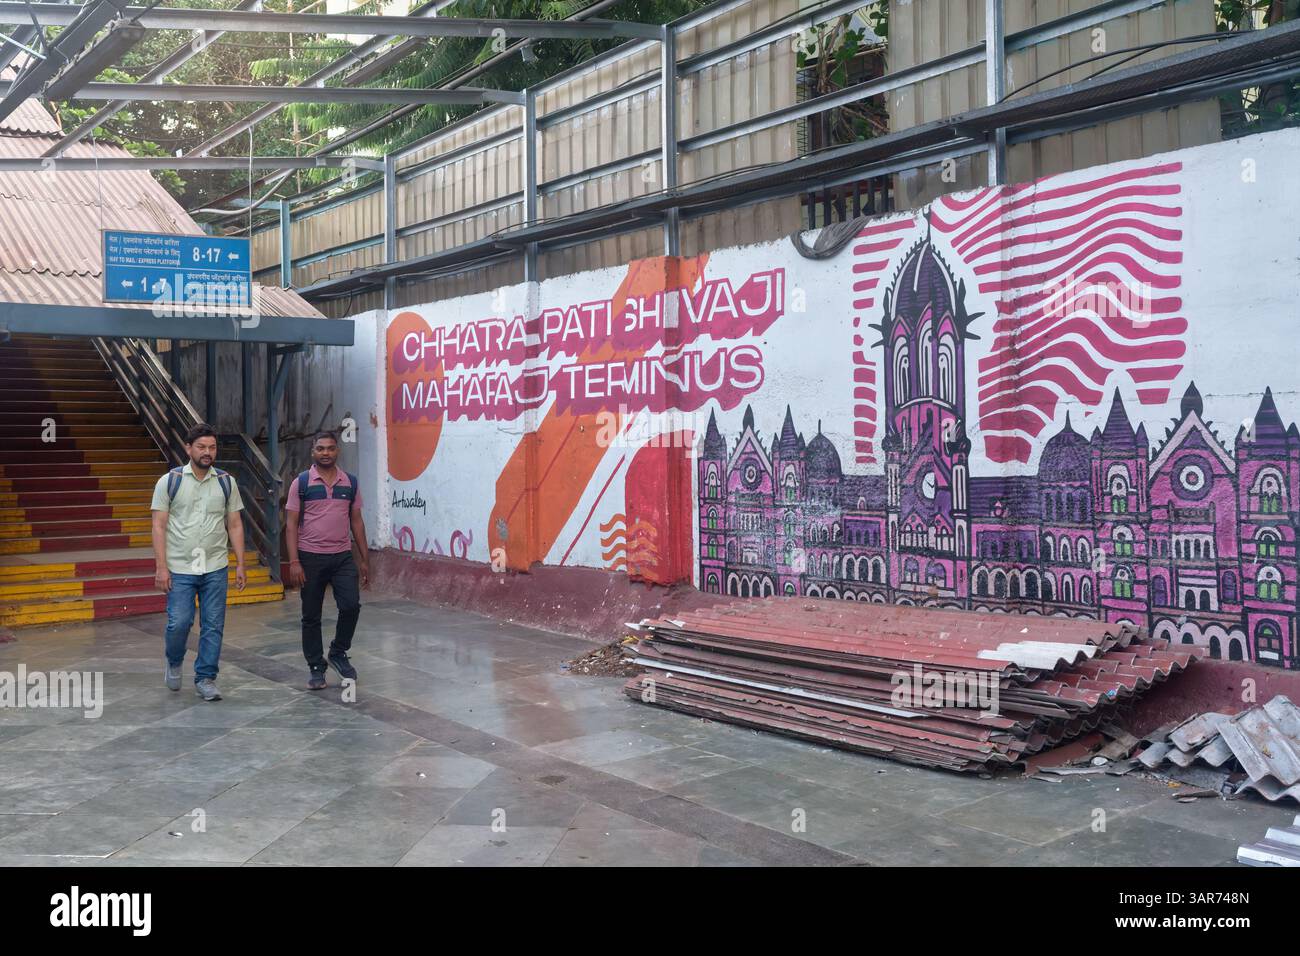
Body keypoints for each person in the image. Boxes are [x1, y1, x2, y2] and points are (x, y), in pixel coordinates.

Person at [151, 423, 247, 701]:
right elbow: (158, 525)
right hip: (180, 568)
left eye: (212, 447)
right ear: (188, 448)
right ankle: (174, 659)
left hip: (215, 566)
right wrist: (161, 567)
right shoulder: (170, 481)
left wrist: (240, 563)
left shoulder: (226, 482)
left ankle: (206, 677)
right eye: (202, 447)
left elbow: (235, 524)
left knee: (213, 625)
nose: (207, 452)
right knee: (179, 623)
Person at [285, 430, 370, 690]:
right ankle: (315, 667)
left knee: (351, 606)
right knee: (311, 615)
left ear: (337, 451)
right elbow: (291, 525)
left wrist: (364, 560)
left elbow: (356, 521)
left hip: (342, 557)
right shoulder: (301, 483)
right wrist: (294, 562)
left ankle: (338, 652)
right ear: (313, 452)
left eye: (330, 448)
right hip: (310, 558)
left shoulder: (350, 483)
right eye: (320, 449)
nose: (325, 453)